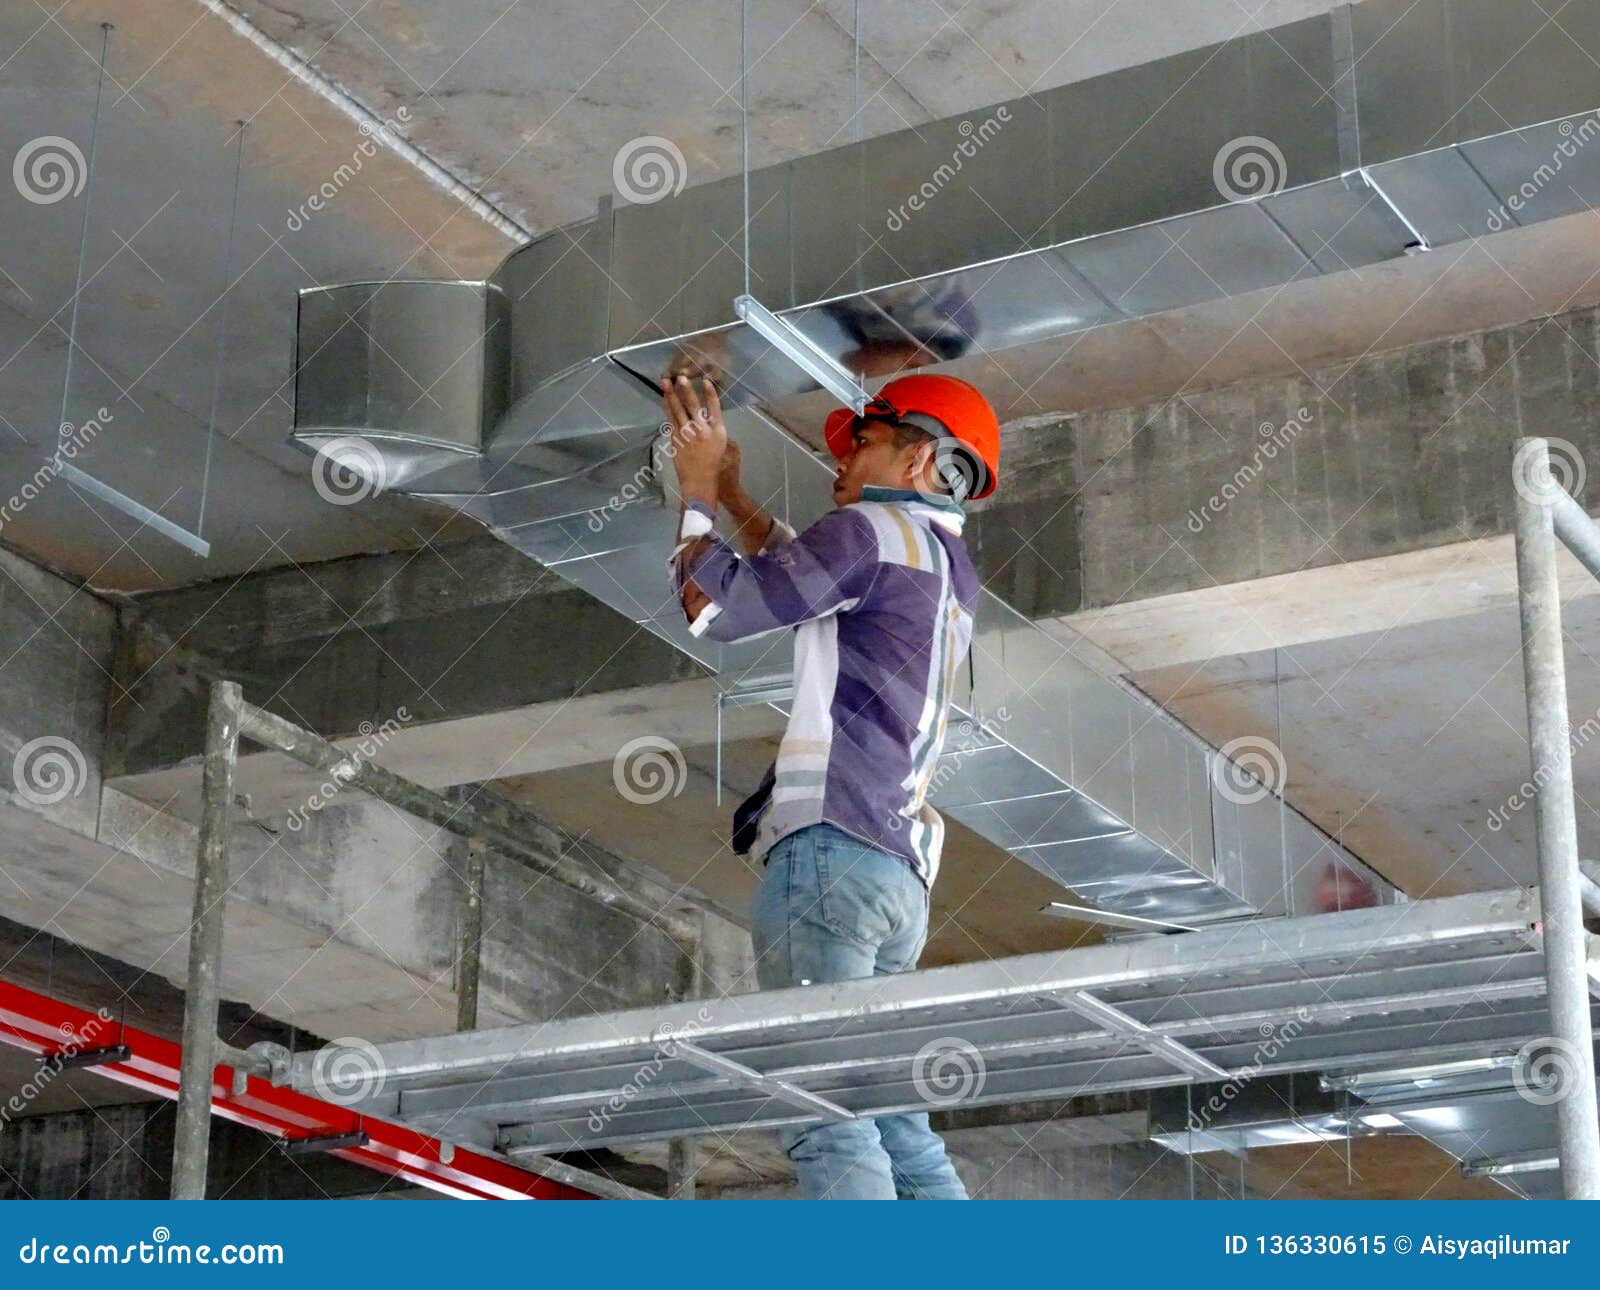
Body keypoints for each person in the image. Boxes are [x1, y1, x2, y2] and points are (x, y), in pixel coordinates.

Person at [660, 371, 1002, 1200]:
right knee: (891, 1121)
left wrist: (698, 490)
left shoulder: (868, 532)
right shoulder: (945, 566)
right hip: (894, 878)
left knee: (826, 1108)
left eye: (864, 442)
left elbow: (716, 607)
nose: (839, 460)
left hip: (830, 857)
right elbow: (817, 573)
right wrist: (739, 497)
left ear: (922, 458)